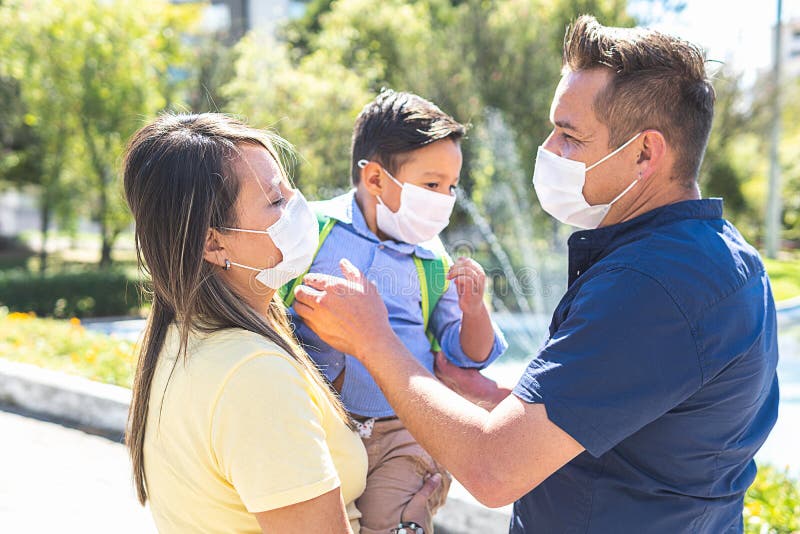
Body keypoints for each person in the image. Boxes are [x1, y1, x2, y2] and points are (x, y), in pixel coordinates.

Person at [292, 16, 780, 533]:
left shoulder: (652, 287)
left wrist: (373, 339)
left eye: (569, 135)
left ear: (644, 152)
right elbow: (617, 427)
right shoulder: (724, 258)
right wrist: (479, 395)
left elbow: (493, 470)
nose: (547, 148)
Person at [123, 113, 438, 534]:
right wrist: (409, 528)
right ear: (213, 243)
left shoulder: (178, 333)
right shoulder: (254, 376)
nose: (298, 203)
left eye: (288, 186)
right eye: (275, 200)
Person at [283, 89, 508, 534]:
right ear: (375, 180)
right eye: (431, 184)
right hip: (322, 428)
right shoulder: (314, 231)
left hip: (404, 432)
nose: (445, 198)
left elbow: (467, 355)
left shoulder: (432, 260)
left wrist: (473, 308)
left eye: (451, 186)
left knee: (390, 525)